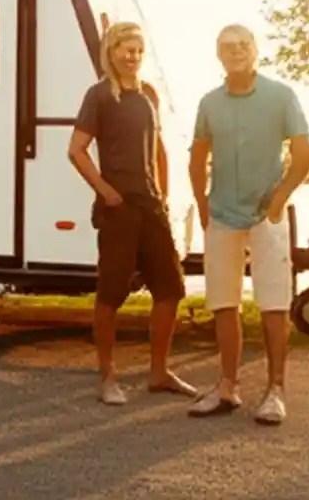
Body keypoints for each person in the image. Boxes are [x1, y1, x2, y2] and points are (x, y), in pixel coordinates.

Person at [186, 23, 309, 425]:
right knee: (224, 304)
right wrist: (203, 206)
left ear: (255, 51)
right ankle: (227, 386)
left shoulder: (280, 97)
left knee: (274, 305)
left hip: (266, 216)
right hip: (222, 215)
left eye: (243, 44)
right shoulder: (210, 103)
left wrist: (279, 199)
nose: (236, 50)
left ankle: (275, 390)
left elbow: (305, 155)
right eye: (227, 46)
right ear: (218, 55)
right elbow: (197, 158)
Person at [68, 21, 197, 406]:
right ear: (112, 52)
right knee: (111, 293)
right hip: (119, 210)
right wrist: (106, 192)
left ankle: (159, 373)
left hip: (150, 206)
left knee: (170, 289)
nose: (133, 57)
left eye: (138, 51)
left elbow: (157, 149)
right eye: (126, 50)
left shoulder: (148, 95)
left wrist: (164, 194)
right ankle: (107, 376)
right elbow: (76, 150)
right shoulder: (100, 96)